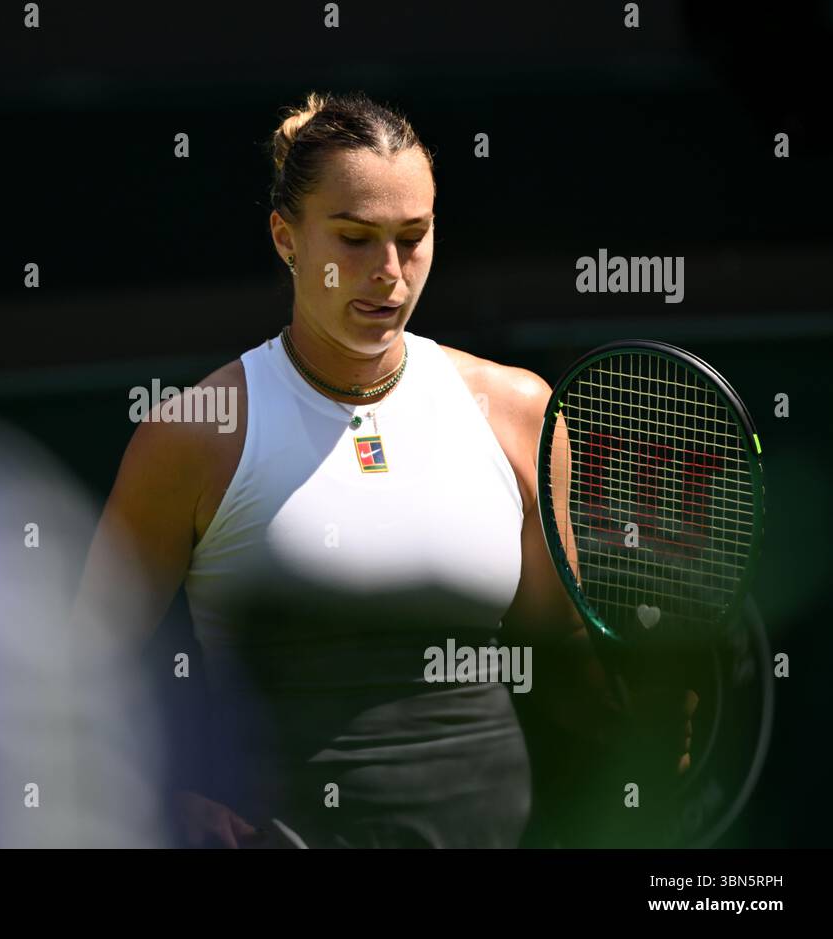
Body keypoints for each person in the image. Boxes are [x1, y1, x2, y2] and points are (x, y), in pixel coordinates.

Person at [76, 90, 693, 848]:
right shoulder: (195, 434)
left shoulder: (519, 412)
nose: (391, 273)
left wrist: (644, 707)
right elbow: (79, 679)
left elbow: (562, 655)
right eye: (356, 238)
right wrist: (173, 799)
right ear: (285, 238)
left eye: (414, 236)